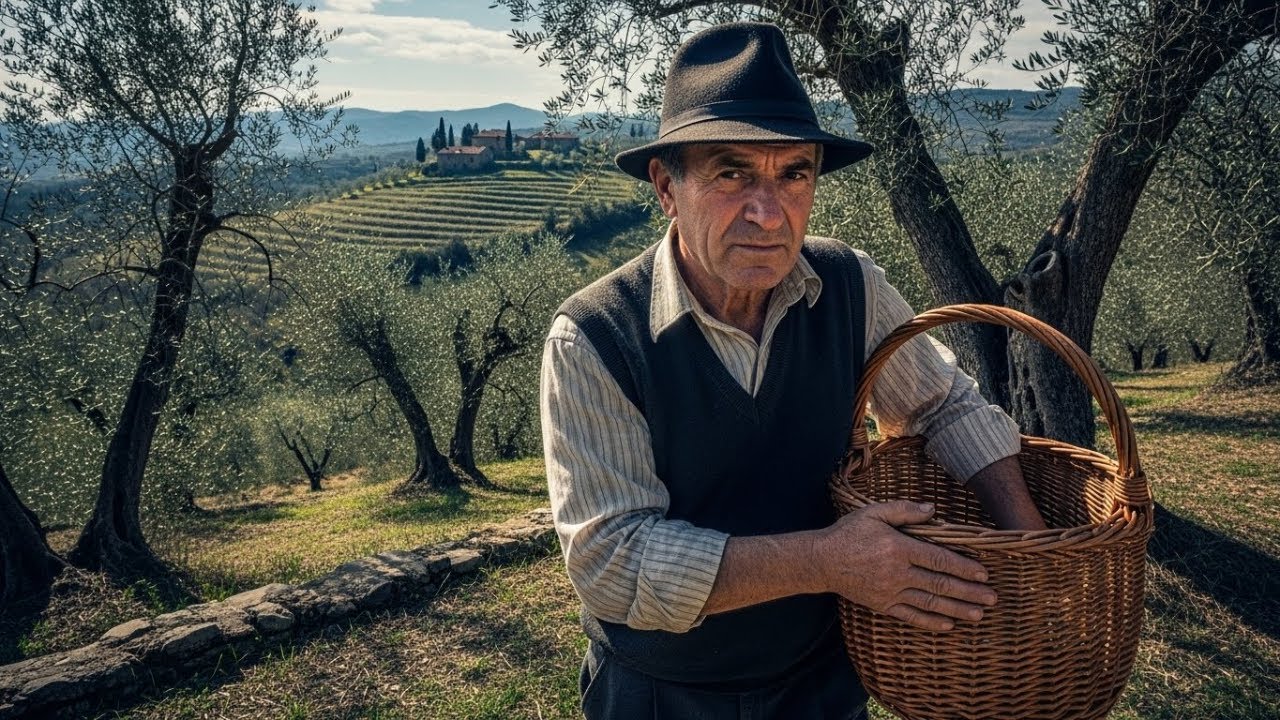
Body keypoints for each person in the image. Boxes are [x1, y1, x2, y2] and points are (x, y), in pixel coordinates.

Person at [539, 21, 1047, 720]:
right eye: (732, 172)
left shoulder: (849, 286)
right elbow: (613, 563)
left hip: (824, 685)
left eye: (793, 174)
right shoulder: (595, 337)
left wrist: (1028, 540)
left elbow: (941, 405)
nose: (768, 212)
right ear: (666, 185)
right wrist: (828, 561)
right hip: (663, 696)